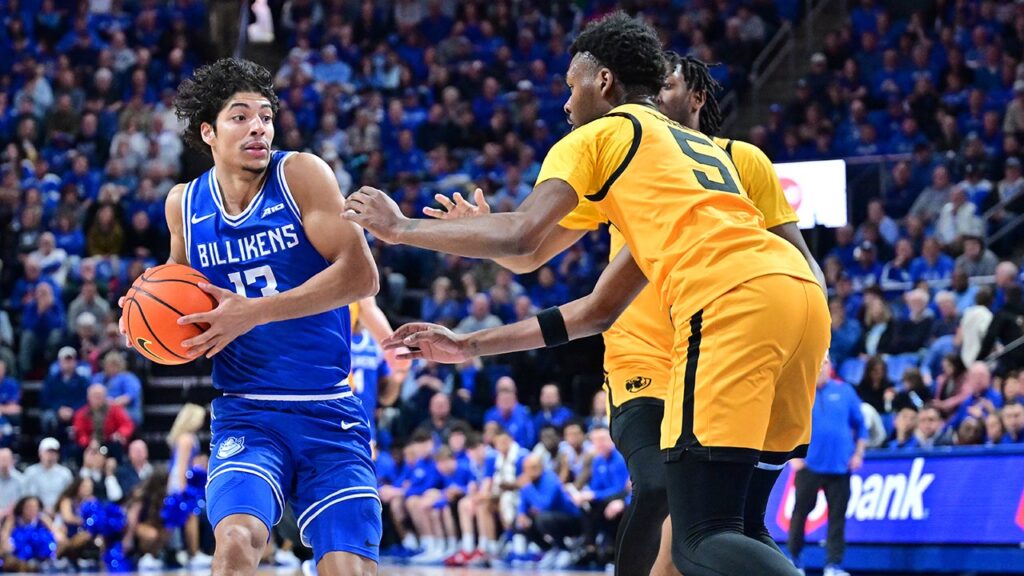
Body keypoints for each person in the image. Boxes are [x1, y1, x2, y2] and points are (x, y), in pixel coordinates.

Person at [357, 14, 829, 576]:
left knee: (698, 537)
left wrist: (401, 227)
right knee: (739, 528)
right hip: (796, 295)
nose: (564, 104)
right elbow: (593, 302)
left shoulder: (600, 135)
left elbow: (521, 237)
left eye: (569, 85)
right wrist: (470, 343)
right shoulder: (686, 156)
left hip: (728, 300)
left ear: (603, 82)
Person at [117, 58, 382, 576]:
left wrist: (253, 313)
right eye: (240, 117)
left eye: (265, 115)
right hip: (246, 412)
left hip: (327, 409)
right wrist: (142, 326)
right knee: (236, 542)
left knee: (346, 569)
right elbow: (176, 300)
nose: (258, 126)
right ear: (208, 132)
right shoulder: (183, 206)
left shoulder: (301, 174)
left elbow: (361, 277)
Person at [787, 356, 866, 576]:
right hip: (808, 466)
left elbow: (861, 426)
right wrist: (792, 456)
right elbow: (786, 424)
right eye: (818, 362)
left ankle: (833, 566)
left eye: (826, 363)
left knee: (837, 518)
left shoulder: (845, 392)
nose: (821, 367)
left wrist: (858, 453)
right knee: (799, 513)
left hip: (840, 467)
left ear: (831, 367)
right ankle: (793, 560)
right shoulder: (801, 392)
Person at [167, 404, 211, 569]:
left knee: (187, 516)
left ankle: (191, 552)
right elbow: (181, 465)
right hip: (179, 480)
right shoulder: (186, 438)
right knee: (189, 515)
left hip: (179, 479)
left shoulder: (184, 437)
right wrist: (183, 488)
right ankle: (194, 553)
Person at [23, 438, 74, 514]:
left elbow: (69, 496)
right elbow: (27, 496)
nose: (50, 455)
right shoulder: (30, 472)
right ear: (40, 453)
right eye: (48, 452)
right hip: (36, 513)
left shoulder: (65, 473)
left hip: (59, 513)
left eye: (54, 452)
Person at [0, 449, 24, 519]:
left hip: (14, 516)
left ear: (12, 461)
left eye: (6, 459)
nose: (4, 463)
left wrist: (7, 512)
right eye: (1, 459)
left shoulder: (20, 480)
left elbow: (21, 501)